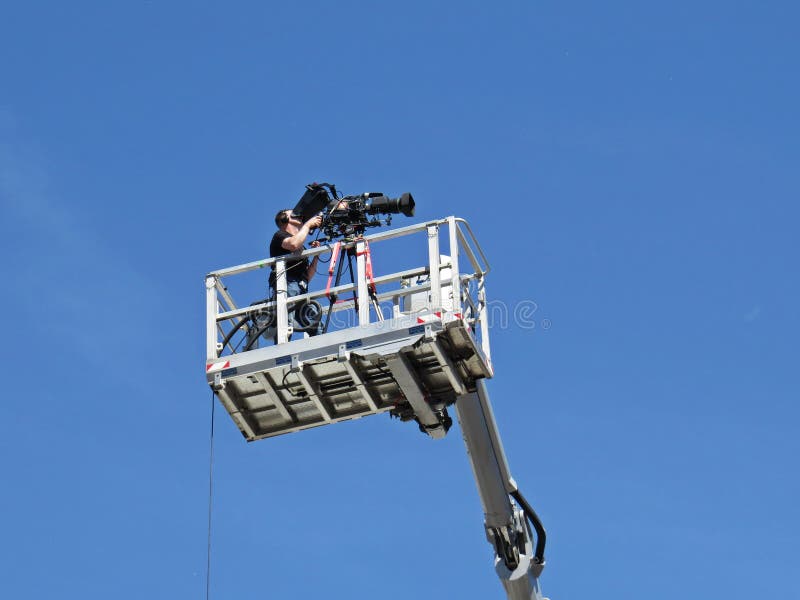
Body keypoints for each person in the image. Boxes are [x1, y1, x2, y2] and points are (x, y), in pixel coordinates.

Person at [249, 209, 323, 347]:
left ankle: (323, 351)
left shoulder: (301, 246)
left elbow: (308, 275)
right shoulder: (279, 236)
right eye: (293, 214)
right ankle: (282, 351)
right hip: (288, 284)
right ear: (284, 219)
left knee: (315, 324)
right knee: (286, 322)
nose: (298, 215)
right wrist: (307, 225)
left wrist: (316, 255)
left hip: (300, 288)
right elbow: (293, 244)